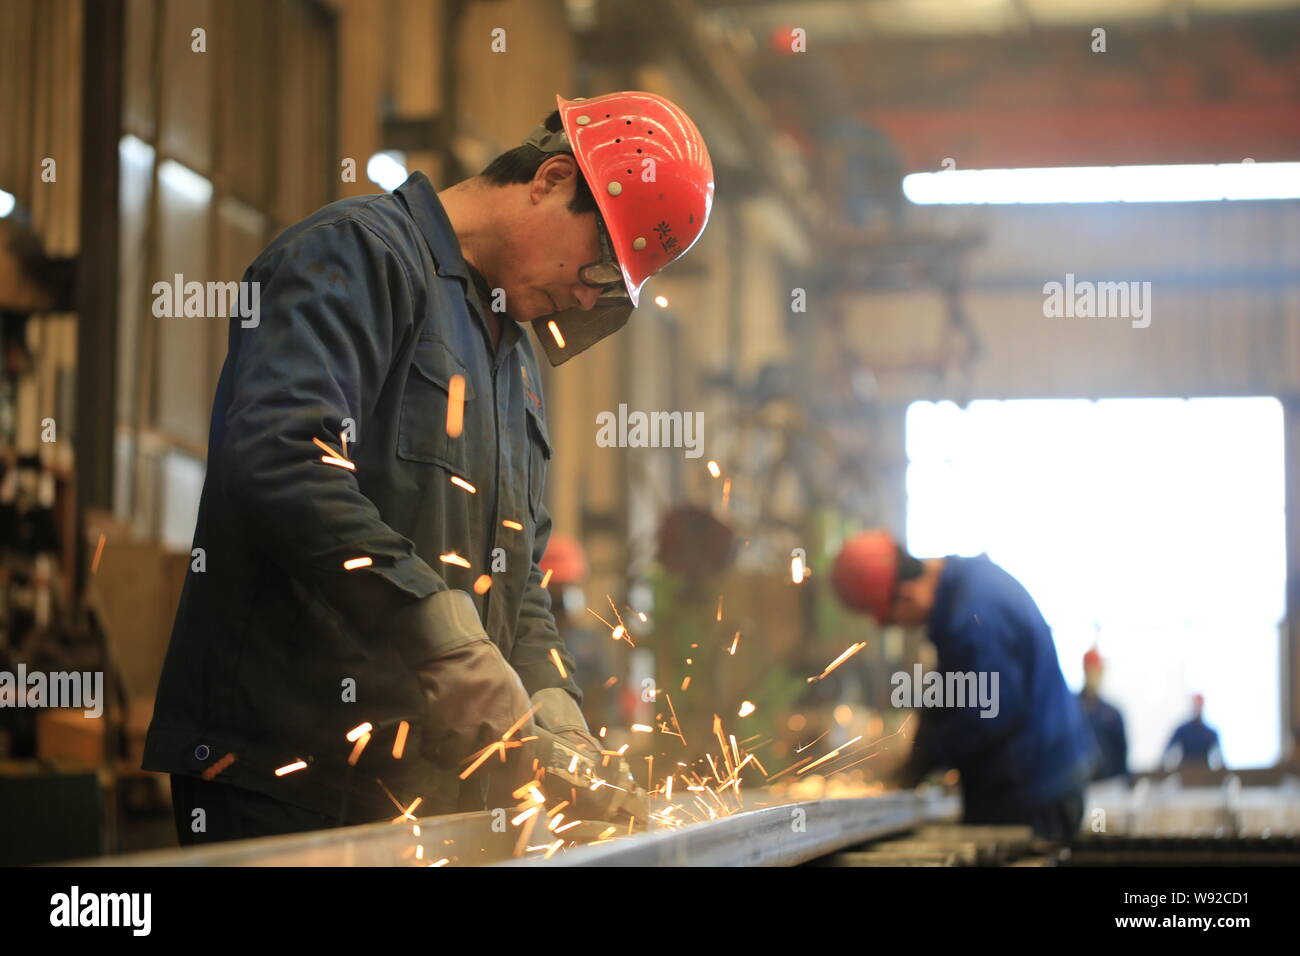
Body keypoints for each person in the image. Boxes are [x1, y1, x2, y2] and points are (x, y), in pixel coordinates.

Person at [143, 91, 714, 845]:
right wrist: (439, 632)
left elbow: (517, 569)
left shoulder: (514, 360)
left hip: (417, 792)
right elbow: (280, 459)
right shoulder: (355, 257)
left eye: (609, 291)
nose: (585, 295)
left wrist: (549, 688)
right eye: (599, 265)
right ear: (549, 180)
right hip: (283, 774)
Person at [831, 530, 1093, 840]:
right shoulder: (964, 593)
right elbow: (952, 694)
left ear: (906, 596)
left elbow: (991, 715)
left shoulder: (973, 614)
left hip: (1033, 793)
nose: (902, 627)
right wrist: (917, 752)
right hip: (1027, 782)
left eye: (892, 621)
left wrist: (924, 758)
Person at [1079, 647, 1129, 782]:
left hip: (1109, 784)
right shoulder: (1072, 708)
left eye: (1097, 671)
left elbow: (1122, 753)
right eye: (1091, 670)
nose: (1094, 675)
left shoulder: (1112, 713)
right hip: (1080, 783)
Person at [1162, 694, 1223, 770]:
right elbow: (1167, 751)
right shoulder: (1183, 730)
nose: (1198, 708)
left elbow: (1220, 759)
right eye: (1196, 705)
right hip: (1186, 772)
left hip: (1204, 771)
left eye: (1199, 705)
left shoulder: (1211, 733)